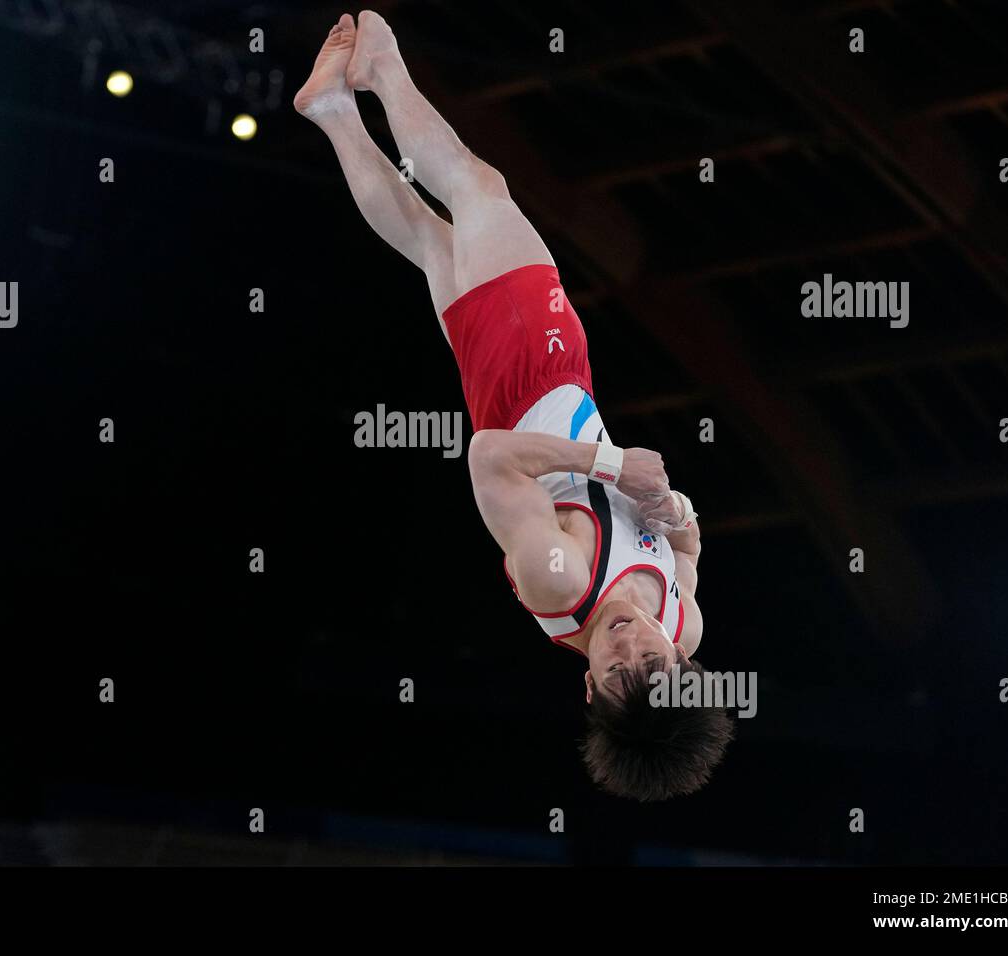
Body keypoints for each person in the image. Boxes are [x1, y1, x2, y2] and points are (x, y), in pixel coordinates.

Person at [296, 12, 733, 800]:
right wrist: (675, 511)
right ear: (685, 663)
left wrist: (610, 465)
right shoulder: (683, 620)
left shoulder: (559, 579)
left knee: (476, 187)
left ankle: (385, 70)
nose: (635, 645)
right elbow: (689, 549)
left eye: (618, 670)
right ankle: (330, 110)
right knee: (431, 241)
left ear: (590, 689)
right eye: (655, 664)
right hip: (548, 383)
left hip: (530, 375)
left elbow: (488, 456)